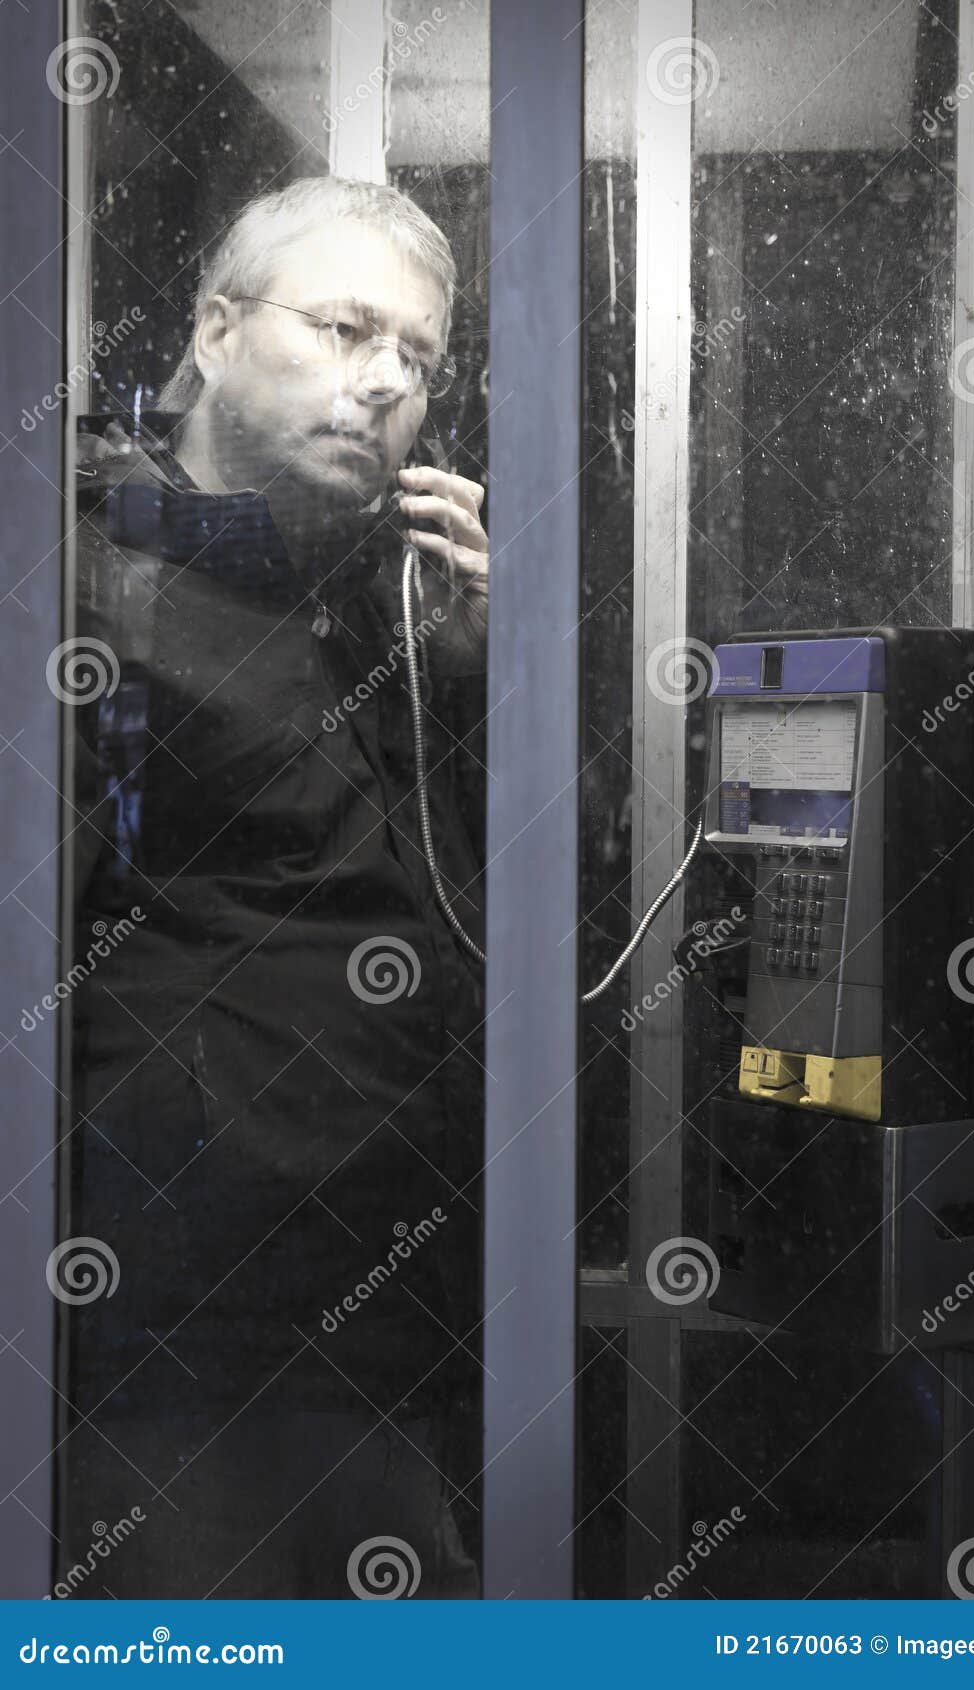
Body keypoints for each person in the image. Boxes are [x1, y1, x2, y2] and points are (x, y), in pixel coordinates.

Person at [63, 177, 487, 1598]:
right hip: (171, 1328)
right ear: (216, 330)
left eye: (418, 356)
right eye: (346, 328)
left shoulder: (378, 595)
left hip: (388, 1307)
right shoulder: (82, 579)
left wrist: (487, 673)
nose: (385, 381)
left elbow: (485, 910)